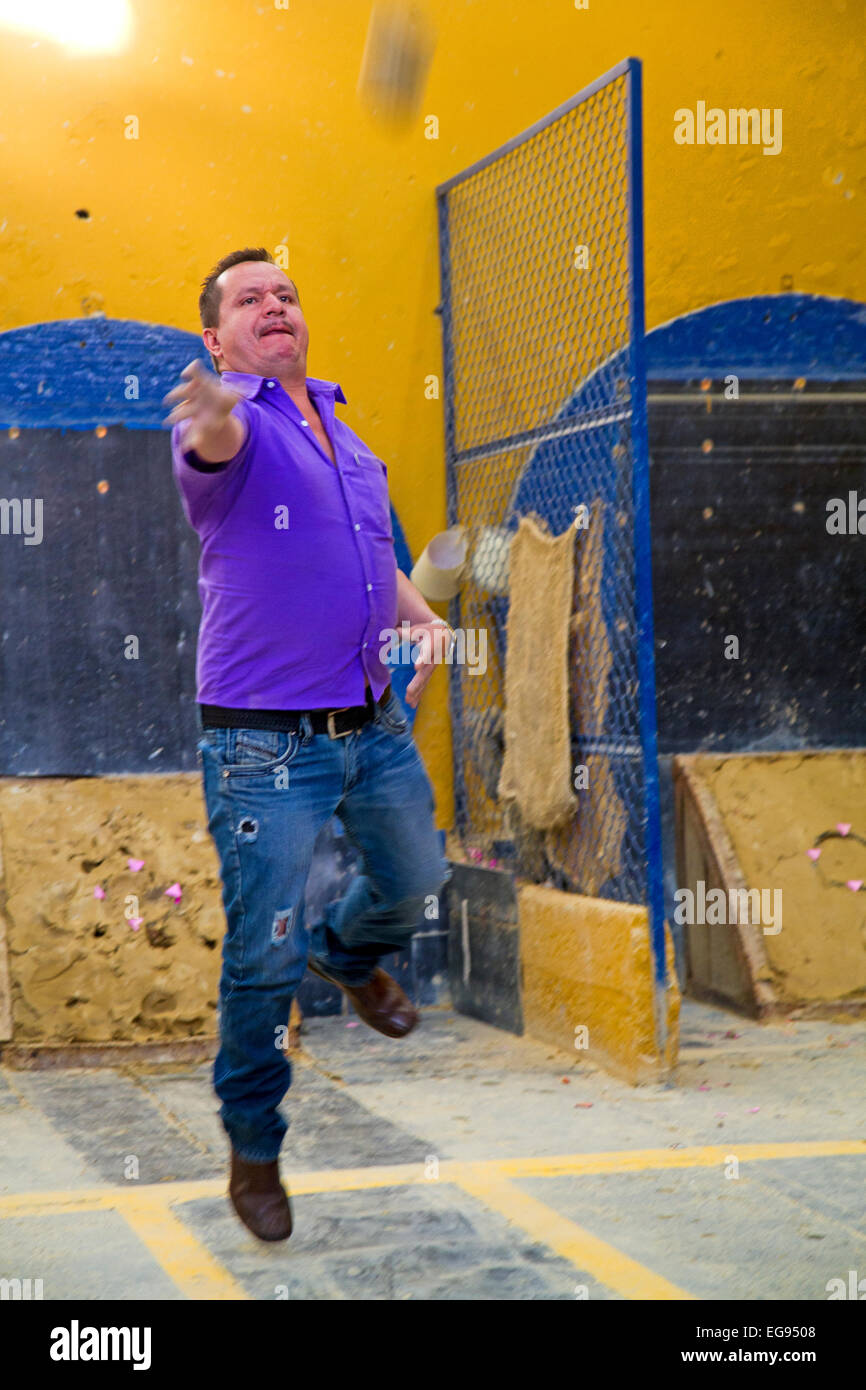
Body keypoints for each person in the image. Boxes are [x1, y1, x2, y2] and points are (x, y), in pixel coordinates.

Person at [163, 247, 452, 1242]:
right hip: (262, 743)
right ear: (216, 336)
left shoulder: (341, 423)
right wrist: (209, 414)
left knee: (417, 873)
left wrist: (420, 615)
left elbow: (367, 549)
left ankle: (351, 949)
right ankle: (254, 1147)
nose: (272, 306)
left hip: (370, 720)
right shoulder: (231, 421)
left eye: (284, 293)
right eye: (248, 300)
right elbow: (213, 439)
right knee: (260, 957)